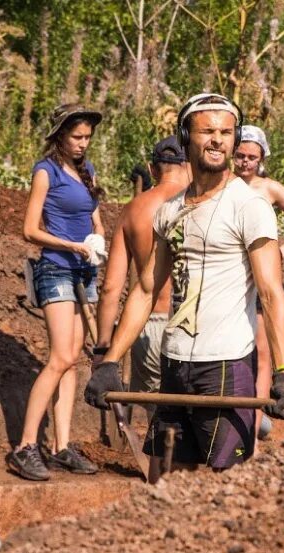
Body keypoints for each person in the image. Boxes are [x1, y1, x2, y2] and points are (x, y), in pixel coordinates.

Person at [85, 93, 284, 483]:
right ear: (186, 137)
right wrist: (111, 361)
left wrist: (282, 371)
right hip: (175, 363)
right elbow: (147, 291)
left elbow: (271, 292)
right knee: (169, 478)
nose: (218, 140)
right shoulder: (170, 211)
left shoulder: (249, 206)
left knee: (225, 483)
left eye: (226, 132)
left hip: (226, 366)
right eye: (207, 131)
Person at [7, 104, 106, 480]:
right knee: (59, 356)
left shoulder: (87, 172)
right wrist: (73, 246)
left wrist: (97, 240)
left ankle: (61, 446)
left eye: (87, 138)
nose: (82, 144)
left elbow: (94, 218)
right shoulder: (44, 172)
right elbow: (30, 230)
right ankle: (25, 446)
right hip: (57, 268)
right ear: (60, 136)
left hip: (85, 269)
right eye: (76, 137)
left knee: (73, 361)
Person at [233, 124, 284, 436]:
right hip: (229, 276)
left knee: (262, 351)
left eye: (252, 157)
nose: (245, 162)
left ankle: (254, 428)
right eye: (240, 155)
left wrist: (281, 251)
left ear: (262, 158)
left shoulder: (269, 189)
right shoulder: (223, 186)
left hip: (261, 277)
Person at [95, 136, 190, 401]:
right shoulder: (202, 206)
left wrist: (103, 351)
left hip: (146, 326)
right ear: (190, 165)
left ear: (151, 169)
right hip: (195, 326)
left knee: (157, 416)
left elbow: (111, 289)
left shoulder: (133, 210)